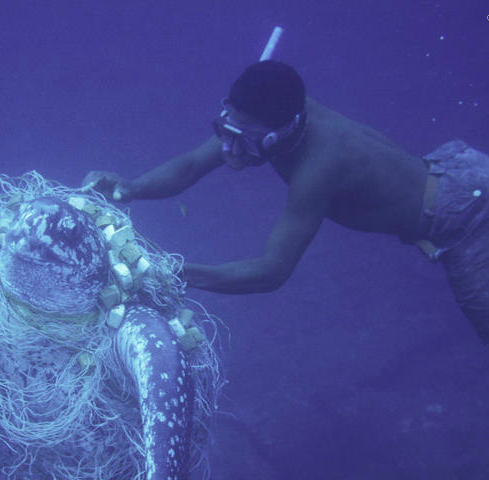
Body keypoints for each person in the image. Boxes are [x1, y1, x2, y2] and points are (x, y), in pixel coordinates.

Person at [82, 60, 489, 343]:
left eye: (246, 143)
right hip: (452, 172)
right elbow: (190, 166)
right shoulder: (268, 112)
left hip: (469, 219)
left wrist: (169, 273)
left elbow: (271, 272)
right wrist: (131, 188)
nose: (231, 150)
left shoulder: (321, 166)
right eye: (226, 131)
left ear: (281, 135)